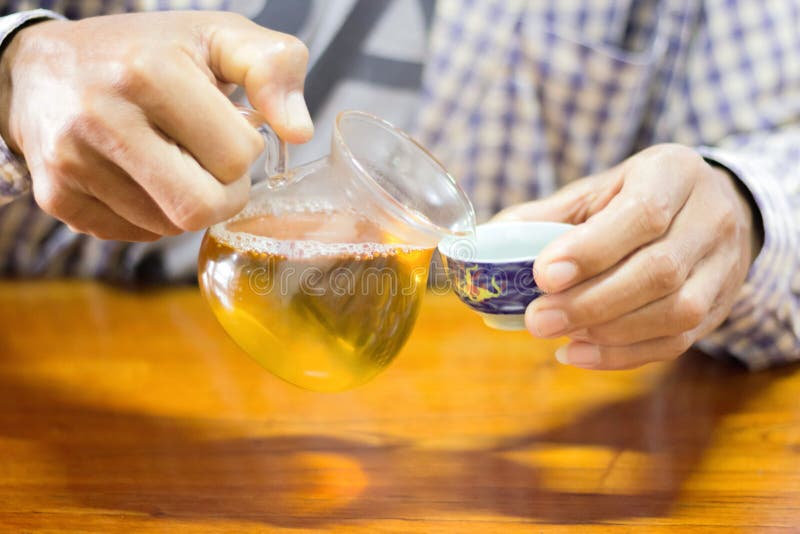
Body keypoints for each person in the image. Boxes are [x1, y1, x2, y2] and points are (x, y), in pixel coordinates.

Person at [0, 1, 797, 372]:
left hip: (473, 426)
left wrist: (740, 205)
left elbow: (782, 144)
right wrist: (17, 68)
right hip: (83, 379)